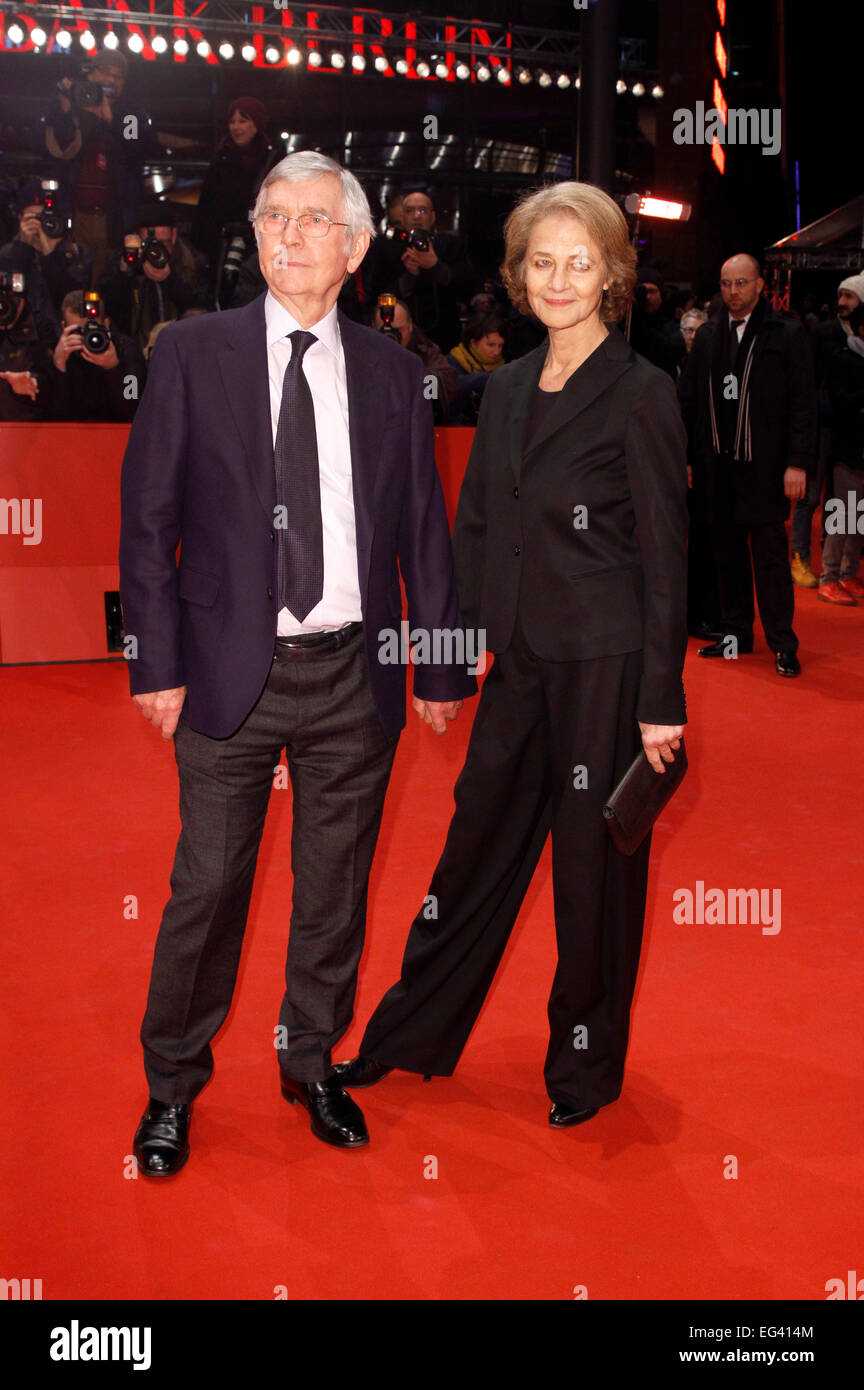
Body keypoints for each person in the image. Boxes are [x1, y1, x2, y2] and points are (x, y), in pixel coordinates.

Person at [119, 150, 475, 1175]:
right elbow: (147, 524)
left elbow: (424, 530)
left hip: (352, 673)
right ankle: (171, 1083)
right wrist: (153, 661)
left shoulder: (398, 372)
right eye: (273, 216)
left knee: (334, 887)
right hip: (227, 671)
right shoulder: (191, 352)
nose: (285, 235)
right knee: (208, 889)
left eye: (313, 220)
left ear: (356, 247)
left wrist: (442, 670)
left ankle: (309, 1058)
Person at [336, 181, 689, 1127]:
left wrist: (662, 696)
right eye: (544, 262)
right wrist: (454, 658)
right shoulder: (502, 391)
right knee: (473, 847)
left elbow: (666, 556)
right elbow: (478, 531)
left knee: (591, 869)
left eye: (581, 262)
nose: (561, 279)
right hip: (520, 665)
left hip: (607, 668)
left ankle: (582, 1070)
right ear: (520, 277)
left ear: (613, 276)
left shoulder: (644, 393)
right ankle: (407, 1035)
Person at [679, 253, 817, 677]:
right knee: (726, 555)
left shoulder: (787, 334)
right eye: (726, 284)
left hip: (767, 468)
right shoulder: (708, 336)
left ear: (760, 285)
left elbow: (804, 404)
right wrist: (685, 458)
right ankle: (736, 634)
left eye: (741, 283)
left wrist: (797, 464)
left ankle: (783, 642)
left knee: (771, 558)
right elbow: (688, 402)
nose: (733, 292)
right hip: (716, 466)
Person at [790, 271, 864, 588]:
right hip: (821, 425)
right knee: (810, 496)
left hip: (849, 432)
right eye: (840, 296)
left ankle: (835, 563)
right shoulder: (823, 333)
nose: (841, 303)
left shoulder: (859, 340)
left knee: (840, 499)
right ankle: (800, 557)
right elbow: (809, 381)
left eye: (848, 296)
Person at [191, 96, 273, 301]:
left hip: (258, 247)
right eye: (232, 121)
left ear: (257, 123)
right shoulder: (222, 158)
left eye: (243, 120)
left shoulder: (271, 161)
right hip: (221, 248)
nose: (236, 127)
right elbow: (206, 208)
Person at [817, 302, 864, 604]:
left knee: (860, 519)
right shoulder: (842, 359)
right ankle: (829, 577)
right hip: (847, 450)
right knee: (842, 516)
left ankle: (848, 572)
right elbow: (839, 402)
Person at [49, 288, 145, 422]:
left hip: (117, 435)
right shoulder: (57, 352)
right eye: (79, 331)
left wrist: (113, 368)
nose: (87, 336)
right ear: (64, 327)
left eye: (92, 328)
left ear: (106, 324)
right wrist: (59, 366)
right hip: (72, 436)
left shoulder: (128, 350)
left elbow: (134, 405)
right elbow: (53, 417)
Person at [370, 296, 459, 421]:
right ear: (373, 328)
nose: (391, 336)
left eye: (398, 330)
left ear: (410, 326)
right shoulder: (362, 354)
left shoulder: (426, 350)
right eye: (384, 331)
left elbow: (448, 384)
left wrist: (408, 374)